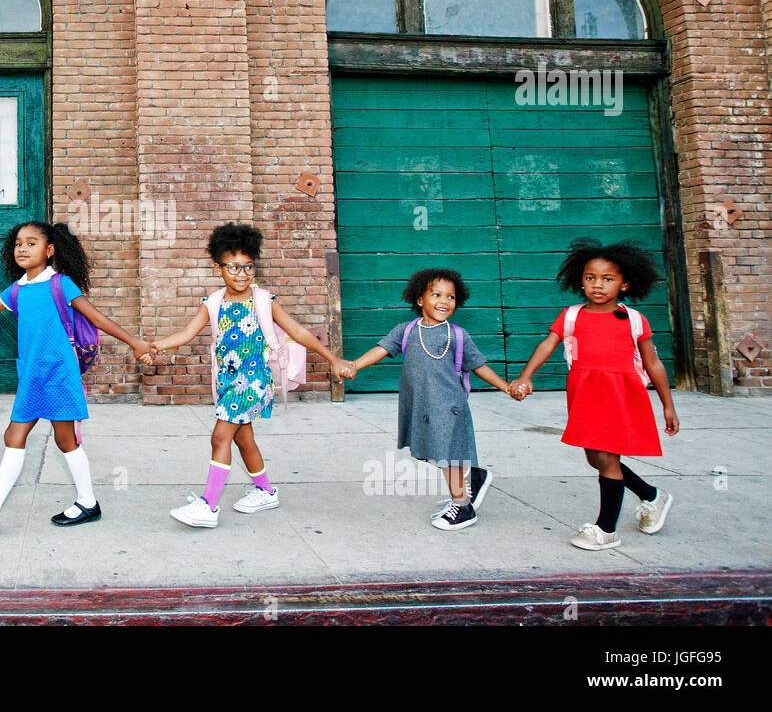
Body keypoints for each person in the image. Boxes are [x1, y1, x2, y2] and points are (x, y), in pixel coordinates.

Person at [0, 221, 154, 535]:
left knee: (65, 439)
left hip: (58, 373)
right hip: (32, 375)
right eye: (18, 243)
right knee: (14, 436)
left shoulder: (60, 284)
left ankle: (85, 502)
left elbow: (97, 318)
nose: (23, 249)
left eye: (32, 243)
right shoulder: (17, 290)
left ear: (50, 250)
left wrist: (135, 342)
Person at [154, 223, 345, 529]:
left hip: (254, 382)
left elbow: (298, 331)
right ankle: (266, 491)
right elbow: (186, 333)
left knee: (219, 436)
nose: (241, 275)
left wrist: (333, 358)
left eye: (248, 268)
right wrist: (153, 346)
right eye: (233, 268)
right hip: (228, 383)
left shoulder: (263, 300)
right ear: (218, 268)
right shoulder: (213, 303)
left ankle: (208, 505)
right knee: (243, 439)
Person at [509, 238, 678, 551]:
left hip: (620, 394)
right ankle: (651, 495)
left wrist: (668, 406)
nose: (598, 284)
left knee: (607, 458)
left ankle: (606, 529)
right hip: (585, 394)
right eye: (590, 278)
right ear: (580, 280)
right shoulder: (572, 315)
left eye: (608, 279)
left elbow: (653, 363)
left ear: (625, 284)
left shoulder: (635, 320)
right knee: (595, 458)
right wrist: (525, 376)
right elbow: (548, 344)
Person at [337, 268, 512, 530]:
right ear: (420, 300)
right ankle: (474, 476)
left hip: (449, 405)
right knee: (431, 453)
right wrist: (355, 365)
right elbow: (381, 349)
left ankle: (463, 506)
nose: (444, 301)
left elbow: (478, 366)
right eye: (437, 295)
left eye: (451, 297)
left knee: (446, 456)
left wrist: (506, 386)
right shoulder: (406, 331)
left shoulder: (458, 335)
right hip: (421, 405)